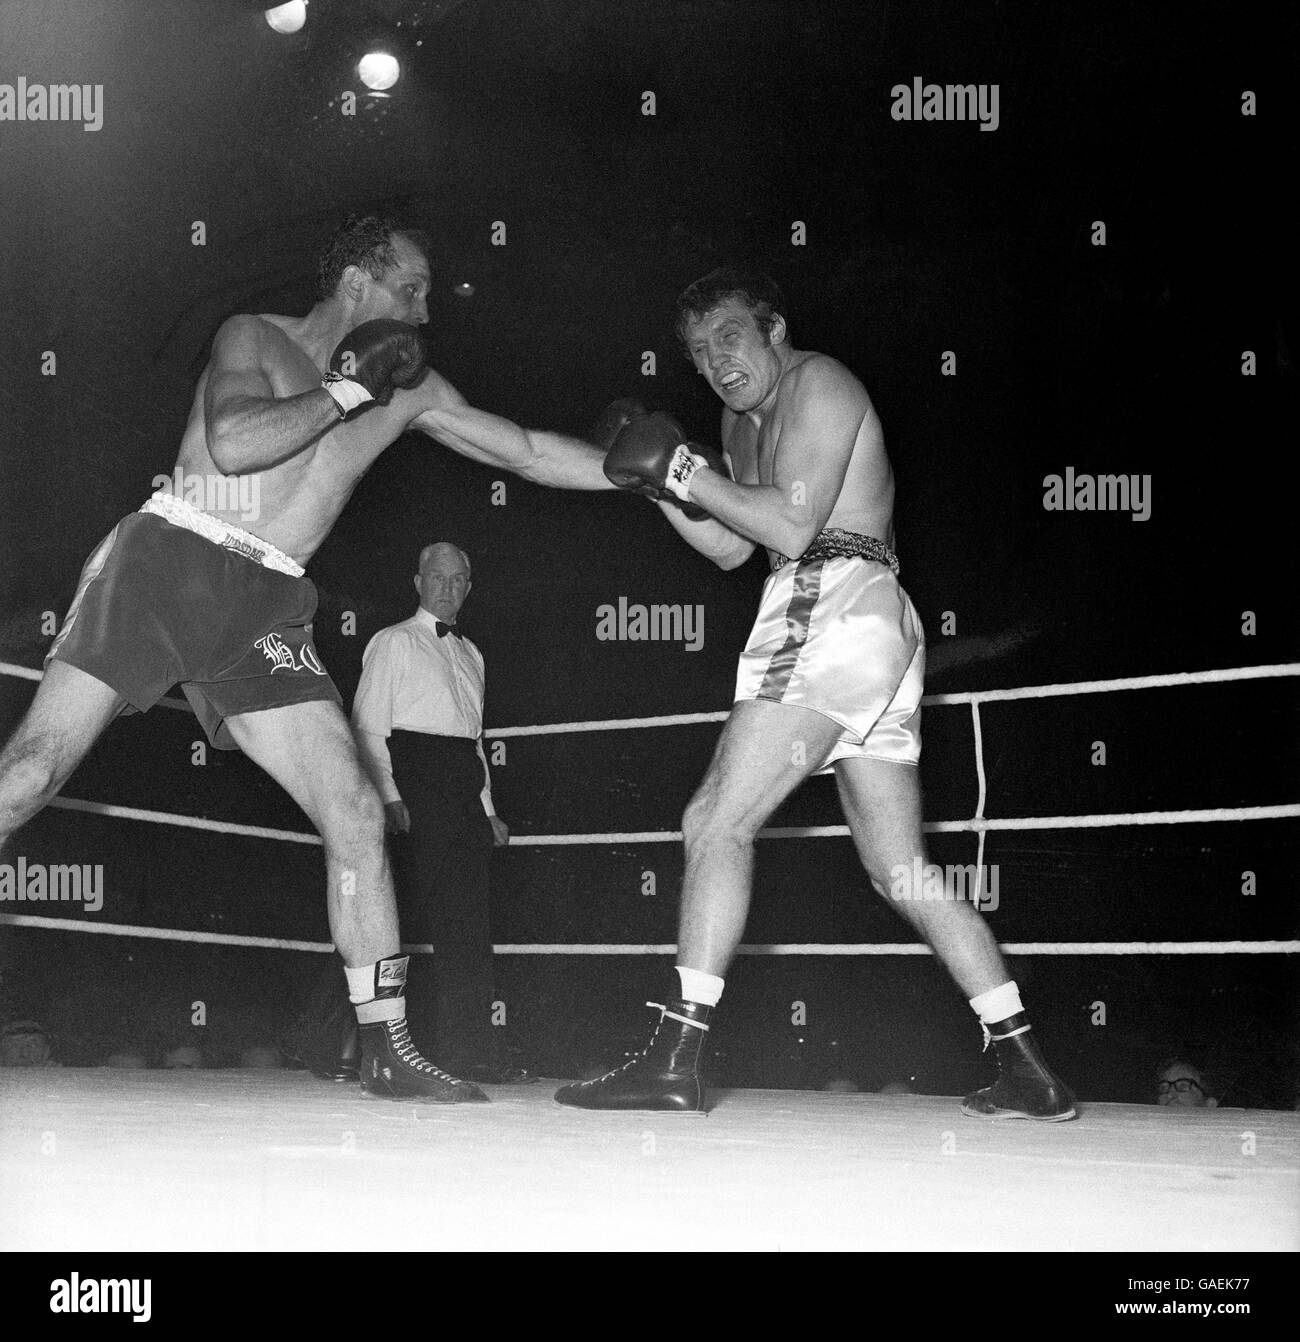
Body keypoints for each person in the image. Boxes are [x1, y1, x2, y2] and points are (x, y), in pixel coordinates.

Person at [0, 213, 614, 1104]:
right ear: (358, 283)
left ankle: (387, 1045)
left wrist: (654, 473)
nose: (426, 311)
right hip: (172, 556)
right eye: (412, 289)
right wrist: (344, 392)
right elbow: (234, 444)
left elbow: (520, 450)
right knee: (31, 768)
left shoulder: (413, 388)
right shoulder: (254, 336)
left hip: (267, 600)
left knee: (355, 807)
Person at [558, 268, 1075, 1120]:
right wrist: (662, 489)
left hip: (830, 599)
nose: (715, 360)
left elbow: (794, 527)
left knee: (713, 819)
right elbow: (733, 548)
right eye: (696, 351)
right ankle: (1023, 1058)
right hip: (866, 633)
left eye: (729, 336)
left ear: (773, 329)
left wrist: (682, 467)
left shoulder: (819, 382)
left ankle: (675, 1057)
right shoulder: (736, 422)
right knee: (899, 869)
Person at [349, 541, 529, 1084]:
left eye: (459, 581)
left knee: (468, 928)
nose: (449, 589)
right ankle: (336, 1041)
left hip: (461, 793)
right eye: (439, 578)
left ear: (469, 588)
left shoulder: (472, 654)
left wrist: (488, 809)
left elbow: (474, 742)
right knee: (386, 916)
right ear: (418, 581)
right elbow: (367, 727)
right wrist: (387, 797)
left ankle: (468, 1052)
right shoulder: (393, 642)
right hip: (413, 783)